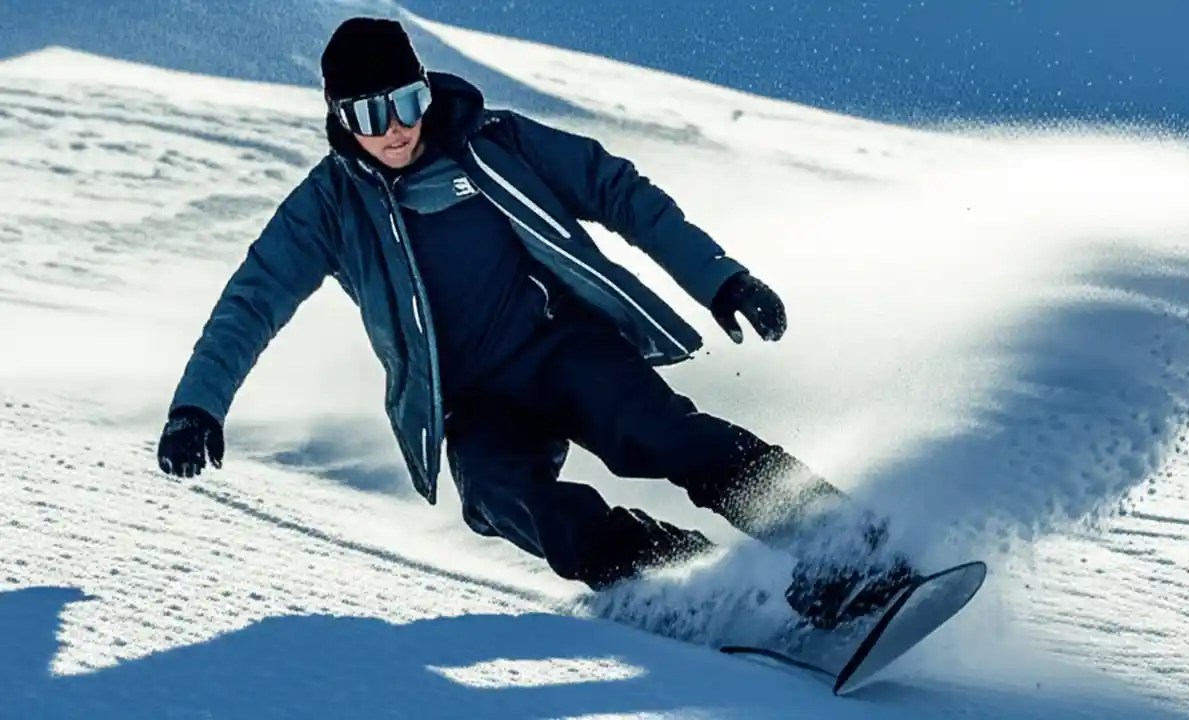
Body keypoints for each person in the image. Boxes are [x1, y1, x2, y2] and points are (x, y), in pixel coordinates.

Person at [155, 16, 916, 629]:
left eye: (407, 103)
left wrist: (720, 280)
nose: (394, 129)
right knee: (496, 495)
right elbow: (251, 301)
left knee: (658, 434)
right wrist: (198, 404)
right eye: (368, 113)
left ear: (427, 91)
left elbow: (619, 191)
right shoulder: (328, 207)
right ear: (338, 120)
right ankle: (682, 577)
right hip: (478, 402)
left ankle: (841, 541)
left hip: (563, 348)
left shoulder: (498, 142)